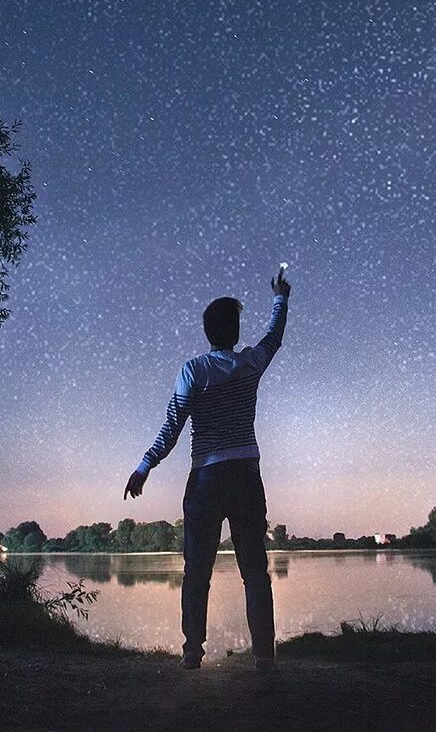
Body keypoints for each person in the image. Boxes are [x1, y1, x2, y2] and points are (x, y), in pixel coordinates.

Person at [124, 267, 291, 673]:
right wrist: (280, 298)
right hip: (246, 476)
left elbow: (173, 425)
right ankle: (264, 656)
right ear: (234, 330)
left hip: (207, 479)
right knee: (255, 570)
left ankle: (192, 651)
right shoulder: (250, 363)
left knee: (197, 570)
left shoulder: (193, 371)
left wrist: (145, 466)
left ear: (207, 332)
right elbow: (273, 338)